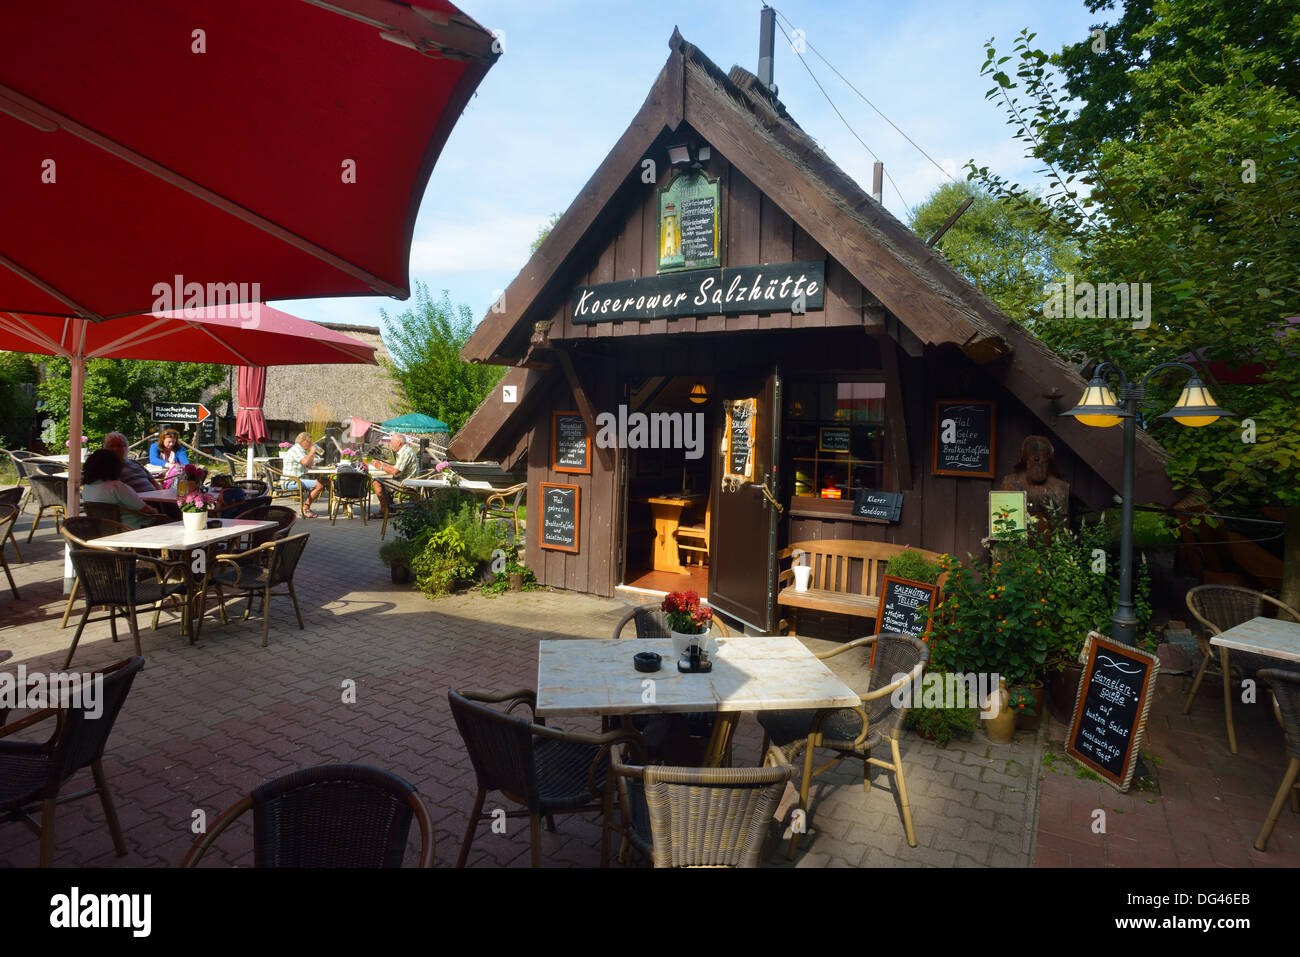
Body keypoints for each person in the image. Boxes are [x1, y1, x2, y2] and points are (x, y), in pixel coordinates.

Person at [81, 449, 159, 530]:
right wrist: (156, 511)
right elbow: (145, 509)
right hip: (133, 529)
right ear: (113, 467)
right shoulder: (117, 487)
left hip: (103, 531)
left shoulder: (87, 488)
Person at [370, 433, 418, 516]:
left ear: (399, 443)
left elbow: (395, 471)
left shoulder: (405, 452)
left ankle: (385, 510)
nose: (390, 444)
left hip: (406, 483)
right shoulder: (405, 450)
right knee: (381, 480)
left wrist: (380, 467)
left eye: (392, 442)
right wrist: (383, 464)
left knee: (376, 482)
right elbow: (396, 467)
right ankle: (391, 509)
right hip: (406, 480)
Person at [281, 431, 325, 518]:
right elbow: (305, 462)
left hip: (296, 479)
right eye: (309, 442)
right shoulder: (297, 449)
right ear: (304, 441)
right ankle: (305, 509)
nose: (311, 444)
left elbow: (309, 464)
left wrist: (311, 452)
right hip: (290, 481)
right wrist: (312, 452)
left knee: (319, 483)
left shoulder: (301, 449)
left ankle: (305, 508)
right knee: (319, 485)